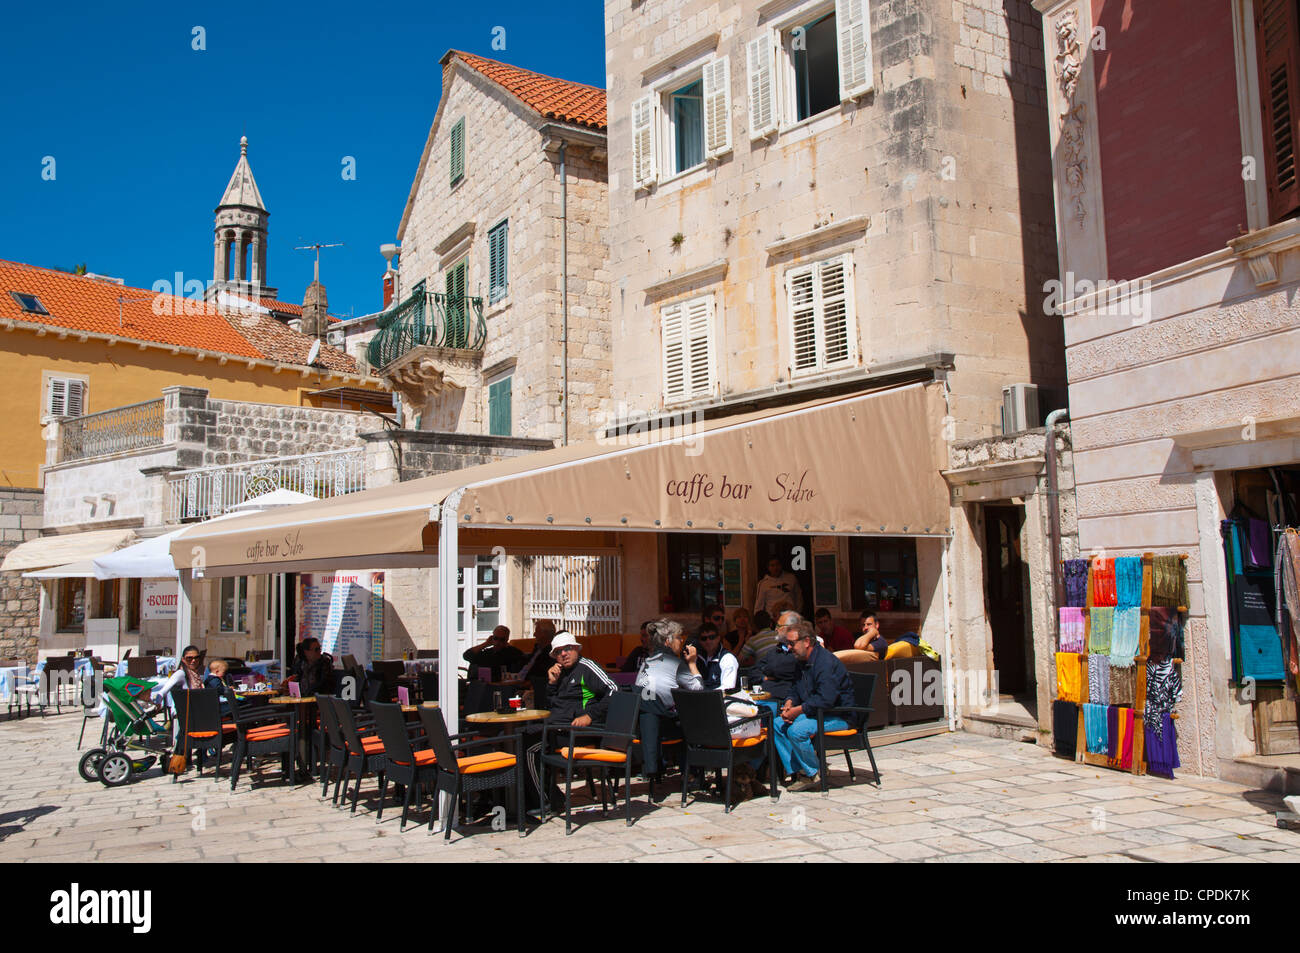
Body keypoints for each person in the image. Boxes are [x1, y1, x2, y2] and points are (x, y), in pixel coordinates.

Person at [772, 620, 855, 791]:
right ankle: (802, 771)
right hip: (817, 712)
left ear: (807, 642)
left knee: (797, 730)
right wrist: (789, 702)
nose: (789, 647)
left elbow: (826, 699)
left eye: (792, 643)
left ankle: (813, 773)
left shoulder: (825, 663)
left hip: (839, 715)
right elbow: (795, 688)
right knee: (777, 724)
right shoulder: (801, 661)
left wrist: (798, 711)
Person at [634, 619, 704, 779]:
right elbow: (699, 689)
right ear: (668, 641)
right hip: (664, 726)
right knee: (692, 725)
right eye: (679, 637)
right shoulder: (675, 663)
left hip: (643, 726)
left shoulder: (647, 662)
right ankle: (691, 775)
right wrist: (692, 664)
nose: (682, 641)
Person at [695, 621, 738, 691]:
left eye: (711, 637)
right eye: (704, 638)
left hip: (721, 700)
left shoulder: (727, 658)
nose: (708, 641)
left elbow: (727, 688)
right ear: (699, 641)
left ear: (718, 638)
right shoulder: (696, 658)